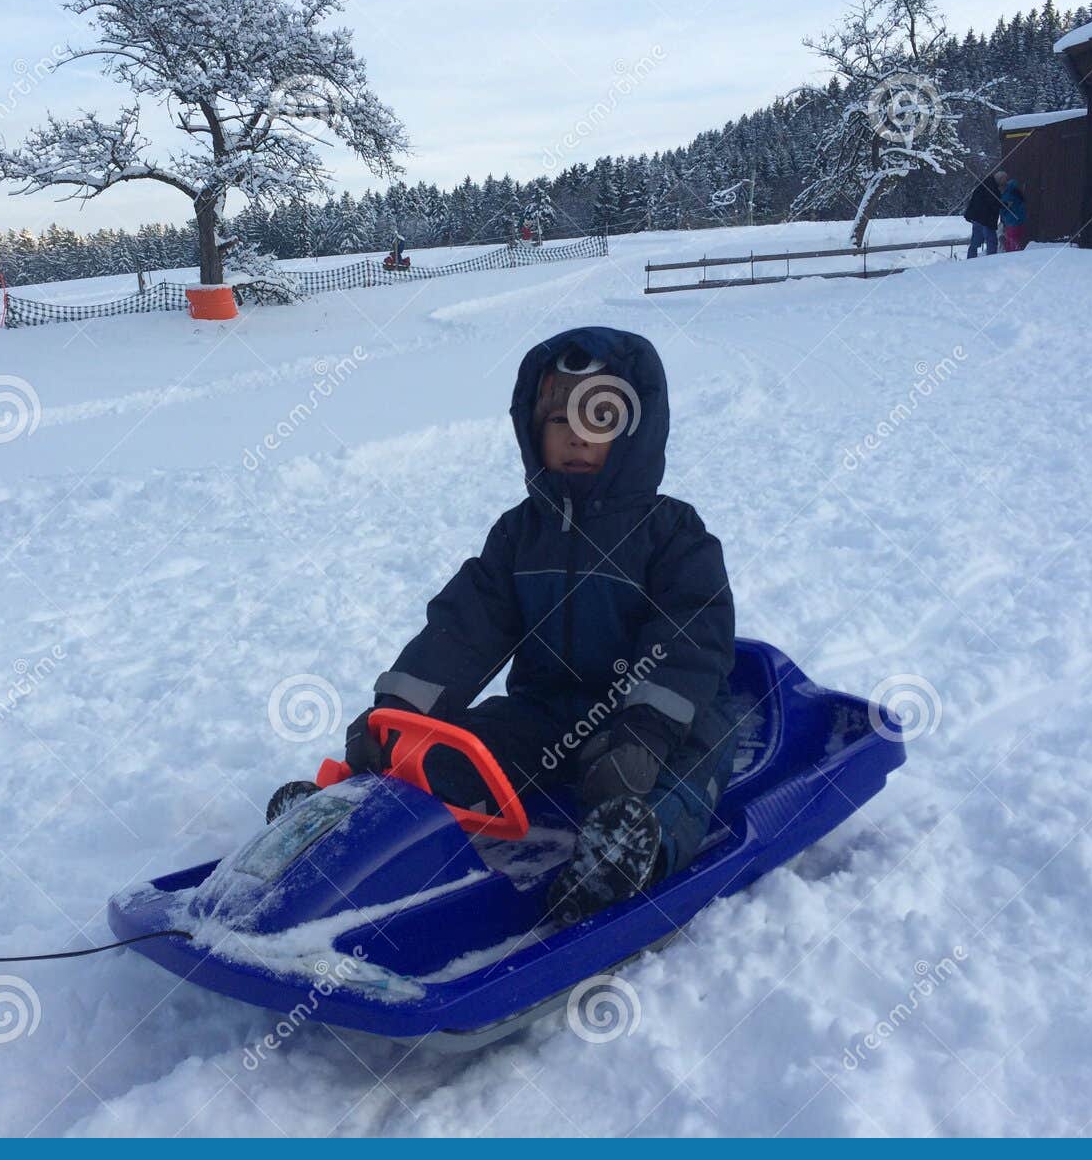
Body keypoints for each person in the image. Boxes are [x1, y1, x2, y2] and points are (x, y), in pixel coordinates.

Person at [270, 327, 740, 925]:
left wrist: (646, 730)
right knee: (452, 750)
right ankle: (343, 824)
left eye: (598, 418)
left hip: (652, 720)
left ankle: (627, 852)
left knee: (687, 765)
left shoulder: (673, 534)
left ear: (634, 431)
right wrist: (400, 712)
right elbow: (465, 627)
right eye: (559, 419)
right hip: (547, 713)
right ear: (532, 430)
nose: (576, 435)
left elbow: (690, 635)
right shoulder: (520, 534)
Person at [963, 175, 1002, 258]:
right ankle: (991, 259)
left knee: (975, 241)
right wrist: (1004, 204)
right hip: (986, 219)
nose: (1003, 184)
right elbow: (993, 203)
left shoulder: (983, 185)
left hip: (976, 217)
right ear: (1000, 179)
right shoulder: (992, 188)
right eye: (1003, 181)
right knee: (991, 240)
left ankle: (970, 259)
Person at [995, 170, 1028, 253]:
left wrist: (1001, 205)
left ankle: (1013, 256)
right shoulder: (1011, 189)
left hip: (1013, 219)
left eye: (999, 180)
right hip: (1012, 219)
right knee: (1011, 241)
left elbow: (1007, 205)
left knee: (1013, 242)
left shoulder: (1010, 191)